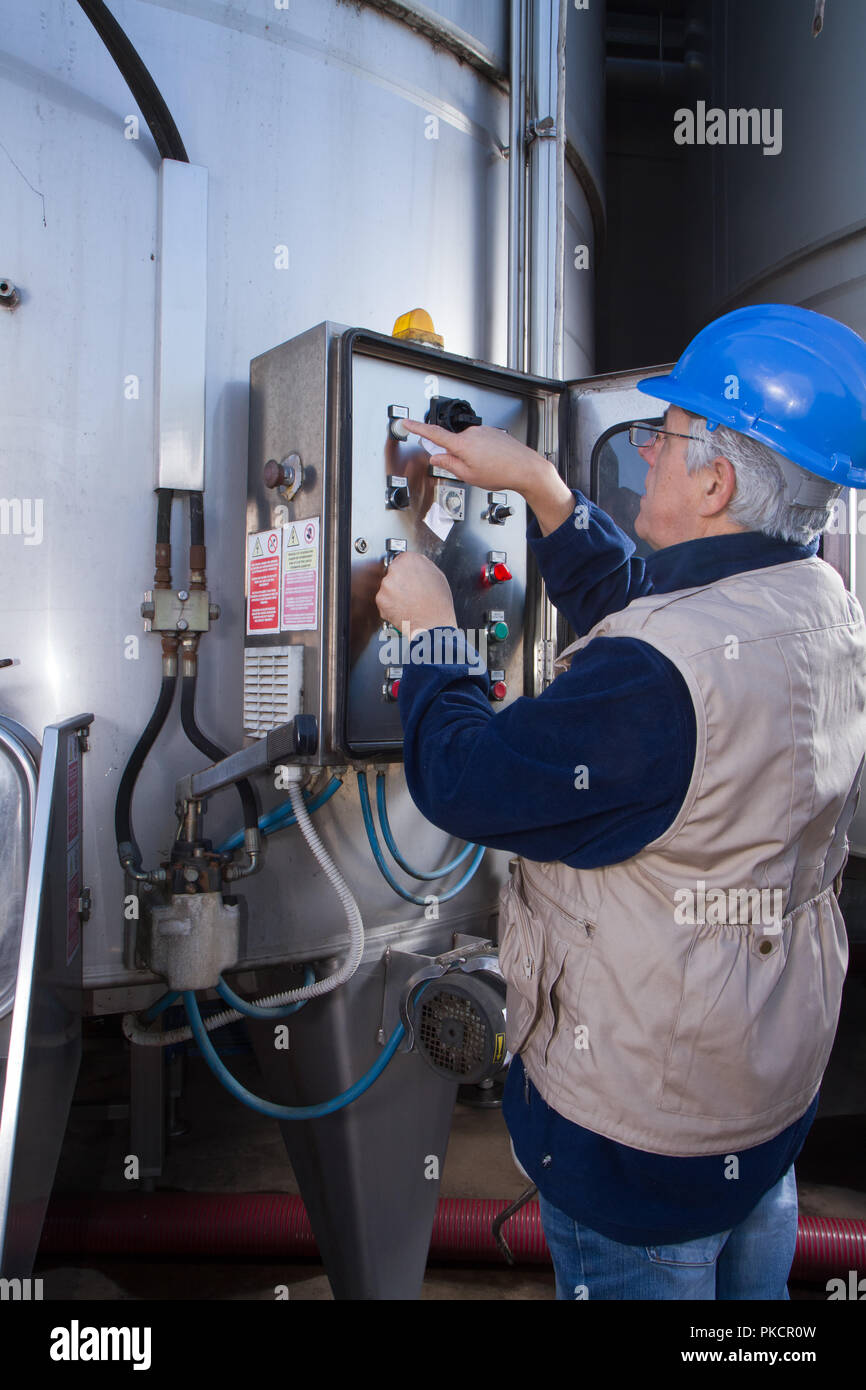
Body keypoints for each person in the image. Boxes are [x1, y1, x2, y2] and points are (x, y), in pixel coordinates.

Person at [375, 304, 866, 1300]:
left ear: (717, 479)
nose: (645, 455)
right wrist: (544, 491)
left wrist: (429, 632)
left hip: (642, 1130)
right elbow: (661, 604)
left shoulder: (652, 683)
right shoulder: (809, 597)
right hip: (758, 1099)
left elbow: (468, 779)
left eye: (665, 438)